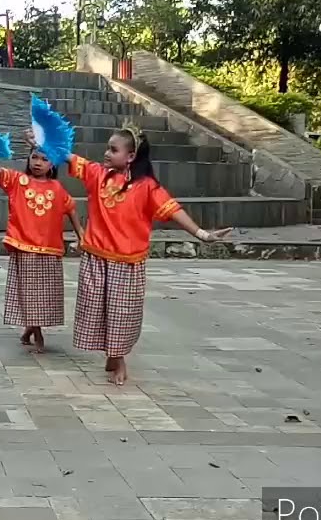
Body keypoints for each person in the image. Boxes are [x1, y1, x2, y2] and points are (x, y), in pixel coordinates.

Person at [33, 126, 231, 385]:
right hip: (96, 258)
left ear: (130, 157)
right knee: (96, 311)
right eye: (107, 147)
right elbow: (66, 156)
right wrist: (42, 141)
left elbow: (172, 210)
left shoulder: (146, 187)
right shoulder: (97, 175)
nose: (106, 153)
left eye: (113, 150)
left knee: (121, 314)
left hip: (127, 264)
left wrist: (202, 234)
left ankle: (119, 359)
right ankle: (111, 354)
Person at [0, 139, 82, 352]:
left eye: (44, 159)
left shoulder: (57, 188)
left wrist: (81, 234)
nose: (38, 162)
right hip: (25, 247)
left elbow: (71, 208)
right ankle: (36, 333)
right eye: (34, 157)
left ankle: (30, 329)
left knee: (45, 295)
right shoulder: (18, 181)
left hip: (49, 250)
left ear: (53, 164)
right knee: (30, 293)